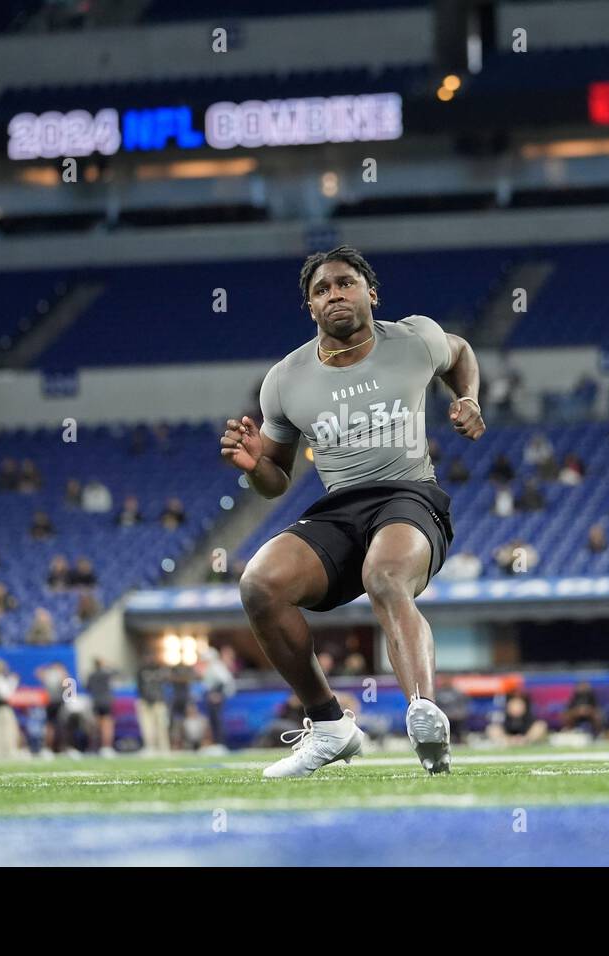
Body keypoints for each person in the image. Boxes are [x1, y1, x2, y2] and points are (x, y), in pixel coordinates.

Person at [221, 245, 483, 777]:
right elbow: (275, 482)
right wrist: (253, 466)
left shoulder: (414, 339)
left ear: (370, 292)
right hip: (340, 507)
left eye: (344, 283)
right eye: (321, 290)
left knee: (385, 575)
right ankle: (331, 725)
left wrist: (470, 399)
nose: (334, 294)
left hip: (410, 495)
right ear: (310, 308)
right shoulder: (285, 378)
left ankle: (425, 714)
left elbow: (460, 353)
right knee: (258, 584)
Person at [135, 651, 172, 754]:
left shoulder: (159, 669)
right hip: (145, 701)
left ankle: (163, 747)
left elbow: (167, 680)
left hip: (158, 701)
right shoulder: (141, 670)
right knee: (147, 726)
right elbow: (139, 687)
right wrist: (145, 698)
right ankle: (150, 746)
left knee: (161, 725)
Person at [87, 658, 116, 756]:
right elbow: (117, 672)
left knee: (97, 726)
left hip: (96, 702)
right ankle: (106, 747)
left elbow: (88, 688)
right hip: (106, 701)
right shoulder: (106, 674)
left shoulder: (91, 675)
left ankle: (95, 747)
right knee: (107, 725)